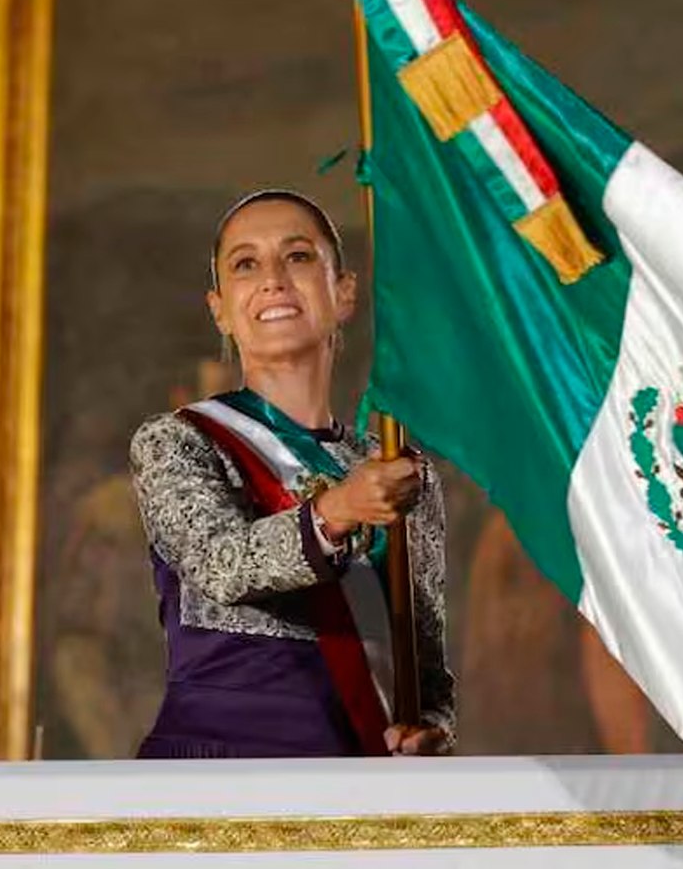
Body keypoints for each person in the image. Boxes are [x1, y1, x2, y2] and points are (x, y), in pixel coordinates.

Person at [129, 190, 455, 758]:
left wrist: (431, 725)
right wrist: (336, 512)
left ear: (345, 292)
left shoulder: (398, 471)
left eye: (298, 256)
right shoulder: (177, 441)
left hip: (363, 778)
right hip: (223, 775)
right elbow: (221, 566)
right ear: (220, 309)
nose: (273, 279)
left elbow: (423, 658)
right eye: (245, 264)